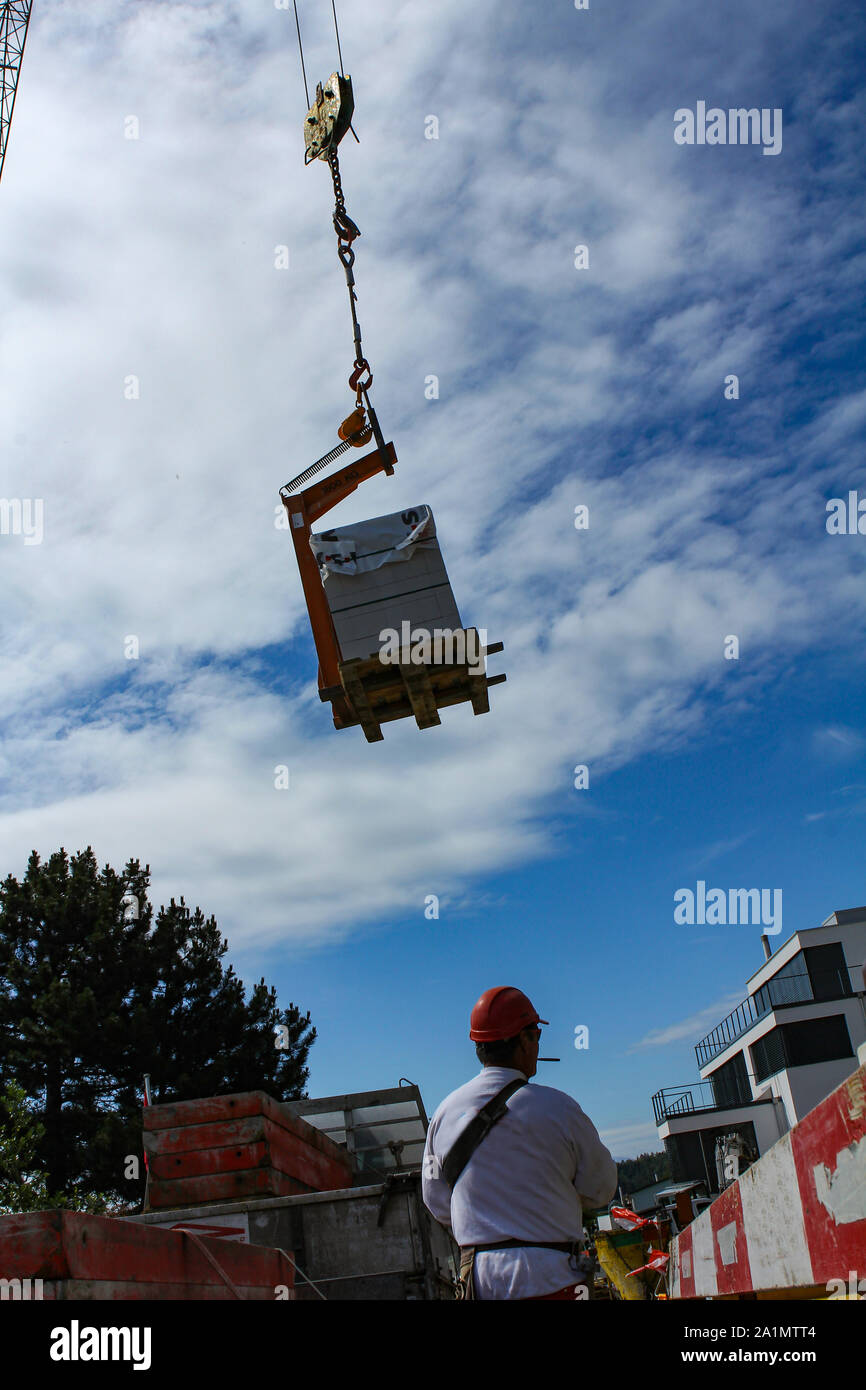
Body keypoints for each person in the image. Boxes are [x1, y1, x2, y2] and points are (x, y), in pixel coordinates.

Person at [422, 985, 618, 1300]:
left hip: (481, 1282)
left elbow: (436, 1200)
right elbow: (601, 1188)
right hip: (556, 1278)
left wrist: (483, 1217)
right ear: (523, 1040)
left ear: (479, 1047)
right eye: (537, 1035)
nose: (538, 1045)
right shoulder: (560, 1109)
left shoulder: (442, 1117)